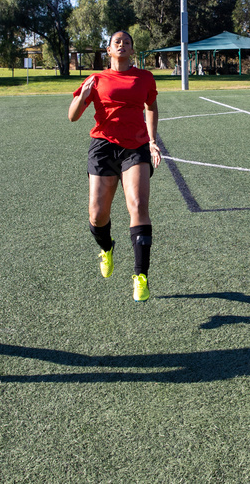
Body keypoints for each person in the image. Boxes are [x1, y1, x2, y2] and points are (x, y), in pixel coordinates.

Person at [69, 31, 160, 302]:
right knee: (97, 214)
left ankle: (140, 276)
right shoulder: (96, 79)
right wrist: (83, 96)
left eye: (128, 42)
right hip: (103, 147)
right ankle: (107, 248)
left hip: (135, 147)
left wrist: (153, 141)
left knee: (138, 205)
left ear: (132, 50)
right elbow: (73, 116)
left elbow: (152, 106)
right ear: (108, 50)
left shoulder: (144, 78)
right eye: (117, 42)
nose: (122, 44)